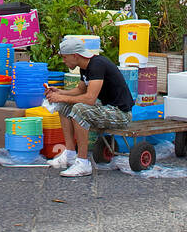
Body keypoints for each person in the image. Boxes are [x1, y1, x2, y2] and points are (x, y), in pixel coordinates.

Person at [43, 36, 135, 178]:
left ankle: (83, 162)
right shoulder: (85, 67)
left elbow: (90, 99)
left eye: (65, 57)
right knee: (63, 105)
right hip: (107, 109)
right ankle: (70, 153)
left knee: (80, 109)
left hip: (120, 114)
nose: (63, 61)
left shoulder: (97, 65)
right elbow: (80, 90)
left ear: (75, 55)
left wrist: (61, 97)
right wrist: (60, 93)